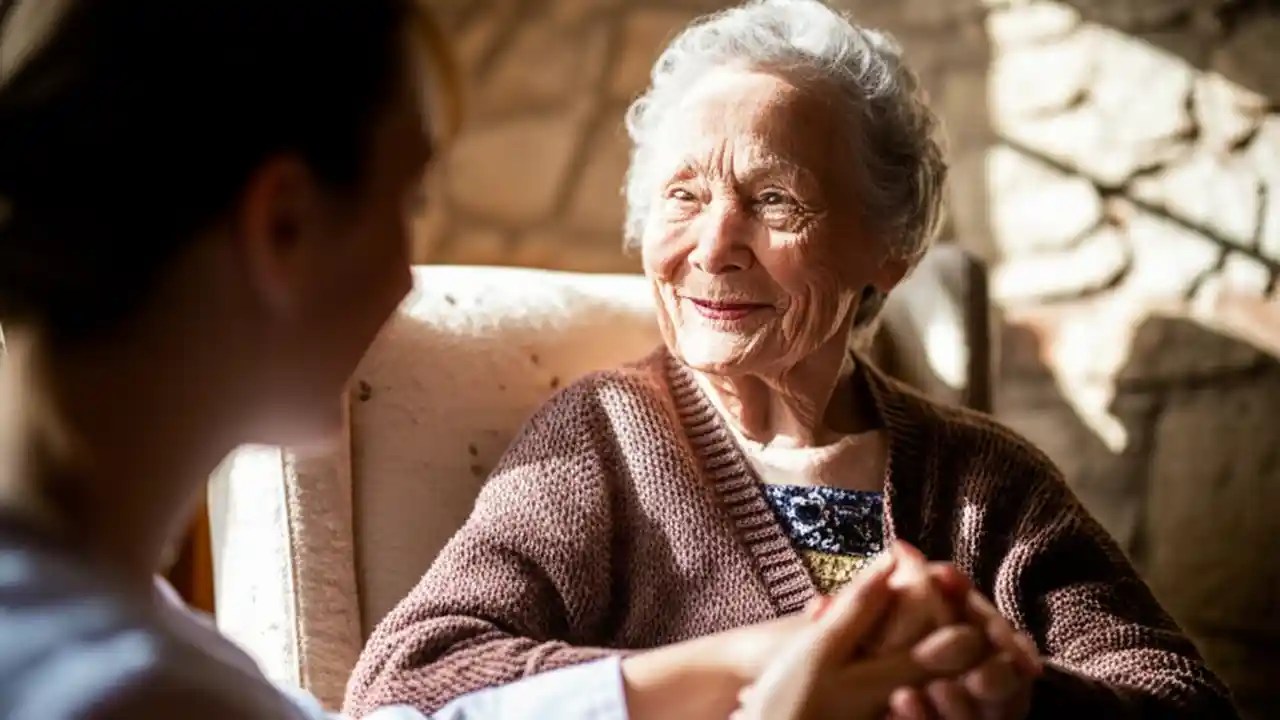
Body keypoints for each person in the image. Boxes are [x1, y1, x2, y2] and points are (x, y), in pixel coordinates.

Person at [0, 1, 995, 719]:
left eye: (773, 201)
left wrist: (753, 661)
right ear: (283, 227)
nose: (406, 280)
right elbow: (415, 686)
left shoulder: (143, 632)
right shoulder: (129, 689)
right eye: (405, 203)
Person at [345, 1, 1238, 719]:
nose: (714, 246)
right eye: (683, 197)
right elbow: (409, 683)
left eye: (773, 199)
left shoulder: (986, 483)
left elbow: (1184, 700)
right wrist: (741, 676)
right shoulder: (600, 445)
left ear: (889, 250)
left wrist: (1017, 693)